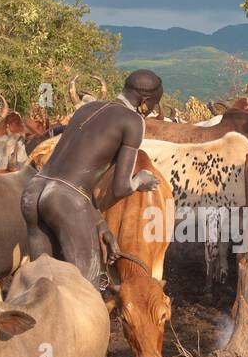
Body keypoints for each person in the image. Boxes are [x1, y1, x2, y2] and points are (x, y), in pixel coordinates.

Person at [21, 69, 162, 289]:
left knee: (42, 285)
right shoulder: (133, 121)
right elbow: (120, 188)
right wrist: (140, 180)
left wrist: (99, 223)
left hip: (34, 189)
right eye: (152, 106)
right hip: (64, 199)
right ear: (145, 100)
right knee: (86, 289)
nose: (150, 111)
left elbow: (79, 173)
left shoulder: (87, 108)